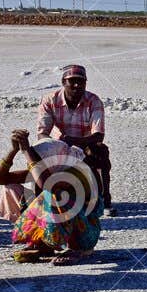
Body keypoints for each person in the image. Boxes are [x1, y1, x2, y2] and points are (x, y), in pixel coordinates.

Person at [0, 129, 103, 265]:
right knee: (12, 188)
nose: (35, 164)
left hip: (84, 235)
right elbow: (0, 179)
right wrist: (13, 150)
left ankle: (75, 249)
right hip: (63, 228)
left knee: (52, 196)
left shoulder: (78, 171)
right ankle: (44, 245)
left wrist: (27, 151)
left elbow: (47, 184)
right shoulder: (51, 170)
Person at [37, 64, 115, 215]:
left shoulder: (93, 101)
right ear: (63, 82)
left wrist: (73, 142)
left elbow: (98, 135)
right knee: (38, 154)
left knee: (101, 152)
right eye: (72, 81)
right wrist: (57, 146)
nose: (77, 85)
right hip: (58, 145)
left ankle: (104, 199)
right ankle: (45, 197)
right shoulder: (49, 101)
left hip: (85, 144)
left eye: (81, 81)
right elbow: (42, 133)